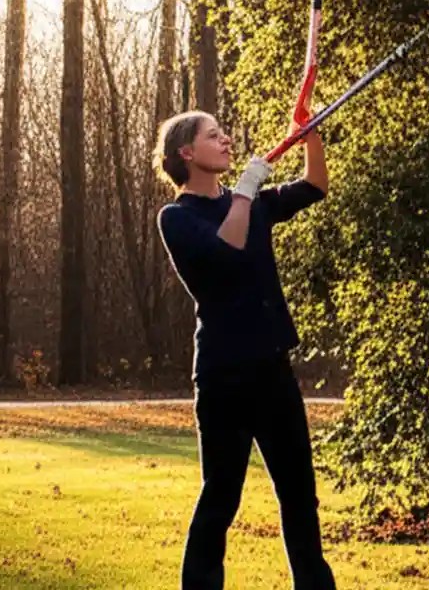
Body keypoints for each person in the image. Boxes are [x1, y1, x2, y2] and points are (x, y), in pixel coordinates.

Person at [153, 110, 336, 590]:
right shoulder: (176, 217)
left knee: (299, 495)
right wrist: (246, 191)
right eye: (213, 136)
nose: (226, 140)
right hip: (224, 379)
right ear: (187, 153)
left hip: (272, 369)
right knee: (221, 497)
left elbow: (315, 186)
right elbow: (225, 251)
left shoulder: (251, 203)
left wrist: (310, 137)